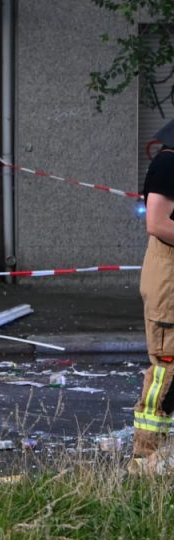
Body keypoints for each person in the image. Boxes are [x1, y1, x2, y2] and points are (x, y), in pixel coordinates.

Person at [130, 118, 174, 467]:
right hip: (168, 281)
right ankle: (146, 456)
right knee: (167, 366)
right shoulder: (168, 163)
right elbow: (157, 223)